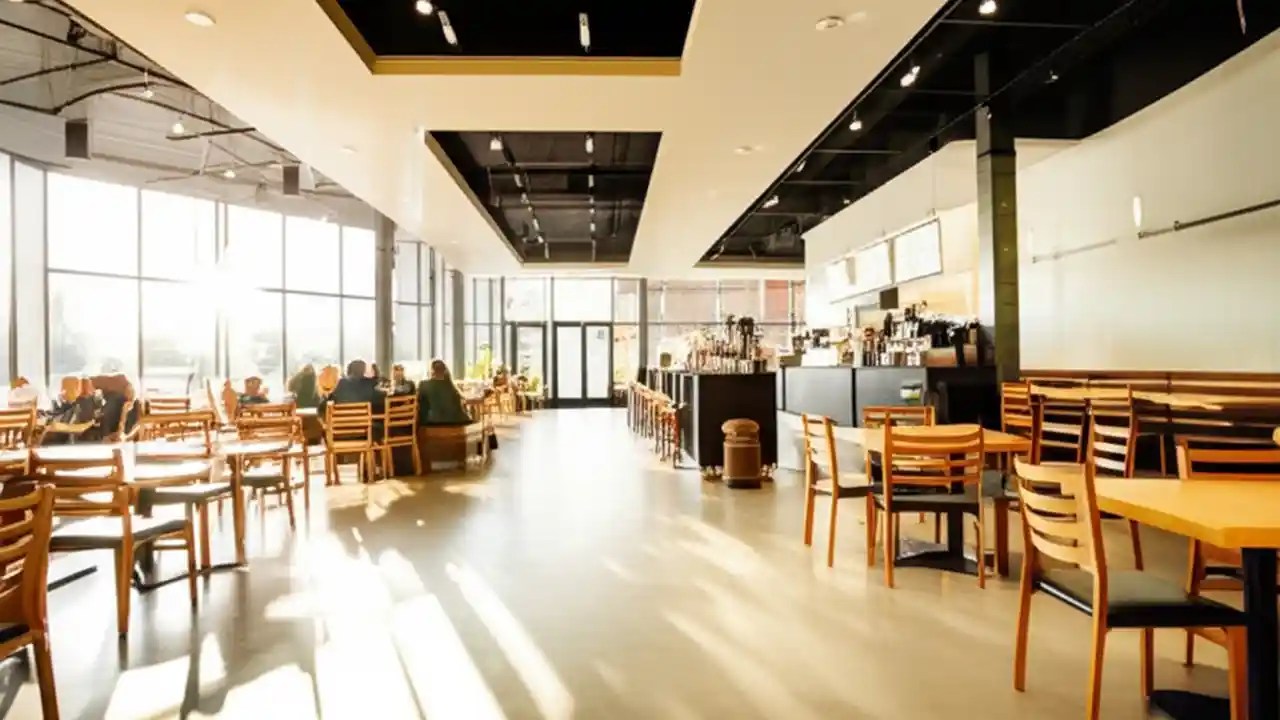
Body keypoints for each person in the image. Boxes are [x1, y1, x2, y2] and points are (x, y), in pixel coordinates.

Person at [417, 359, 470, 425]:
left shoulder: (423, 385)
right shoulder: (451, 387)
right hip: (455, 423)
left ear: (432, 371)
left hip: (431, 424)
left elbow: (419, 404)